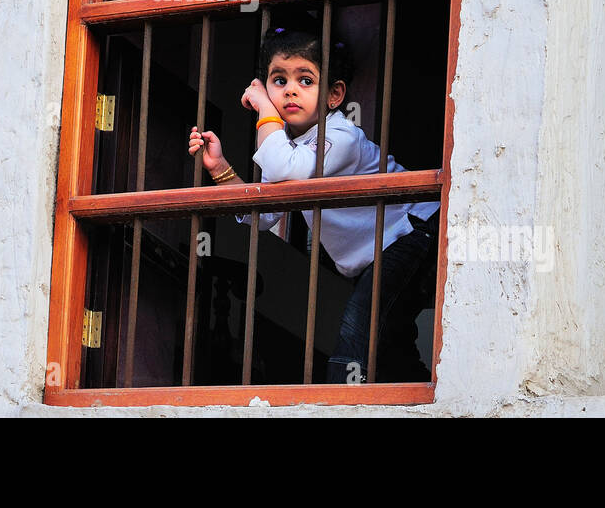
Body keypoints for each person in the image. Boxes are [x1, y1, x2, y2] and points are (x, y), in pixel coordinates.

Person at [187, 24, 439, 384]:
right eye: (278, 80)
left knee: (354, 345)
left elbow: (287, 168)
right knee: (390, 349)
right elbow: (263, 215)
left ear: (334, 95)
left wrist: (263, 107)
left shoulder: (341, 135)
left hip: (411, 231)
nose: (290, 89)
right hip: (381, 252)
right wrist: (221, 169)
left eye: (305, 80)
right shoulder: (288, 151)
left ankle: (340, 401)